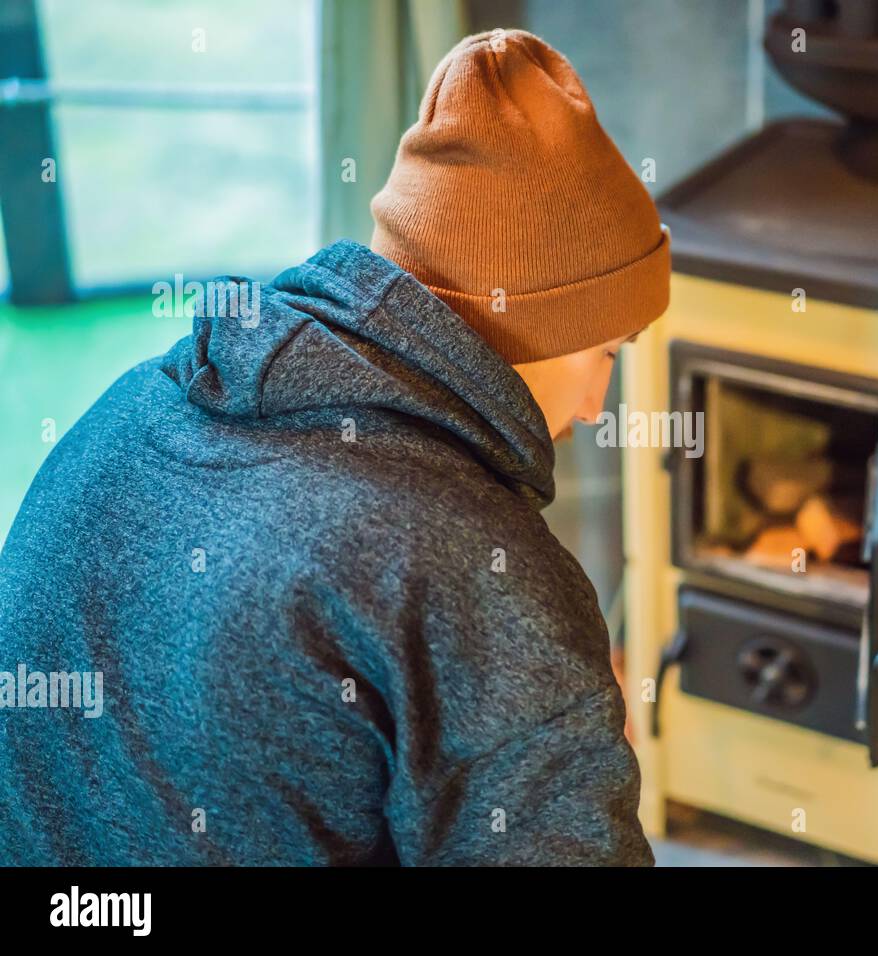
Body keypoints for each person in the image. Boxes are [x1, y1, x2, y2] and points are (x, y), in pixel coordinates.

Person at [0, 29, 669, 866]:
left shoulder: (126, 410)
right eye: (608, 352)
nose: (599, 404)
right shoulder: (479, 576)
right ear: (537, 327)